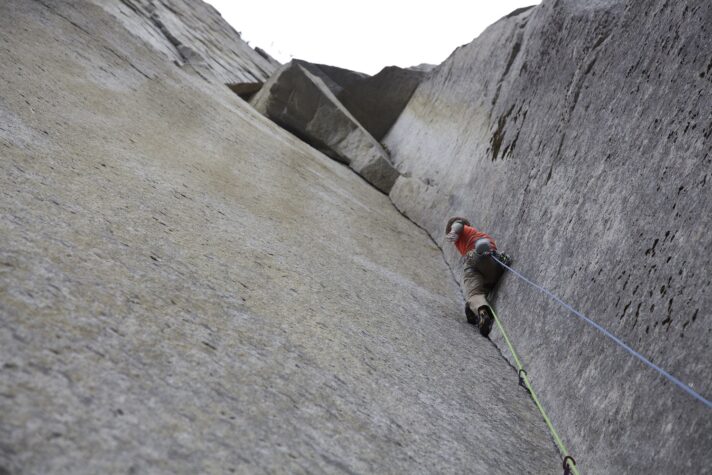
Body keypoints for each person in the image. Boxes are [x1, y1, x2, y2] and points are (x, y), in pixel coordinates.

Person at [445, 216, 510, 337]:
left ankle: (481, 310)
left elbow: (458, 224)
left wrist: (453, 231)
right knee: (476, 296)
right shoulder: (474, 235)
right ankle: (480, 311)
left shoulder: (464, 230)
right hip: (493, 266)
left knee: (473, 292)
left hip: (474, 260)